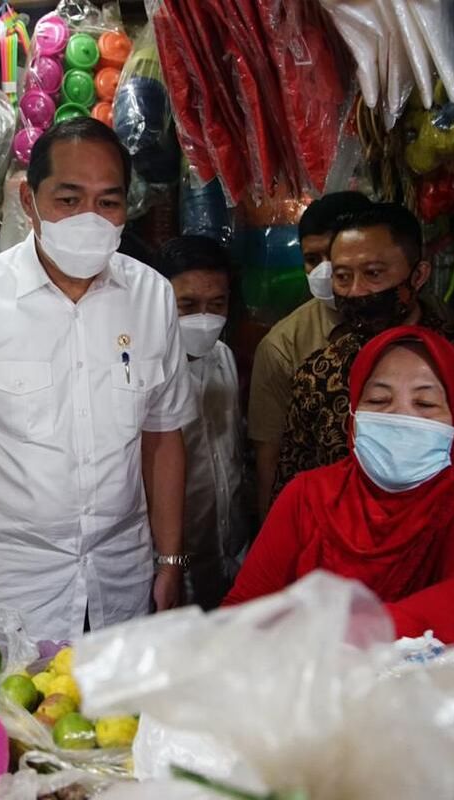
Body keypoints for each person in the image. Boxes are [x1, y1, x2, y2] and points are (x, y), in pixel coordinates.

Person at [0, 118, 195, 642]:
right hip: (9, 588)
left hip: (121, 576)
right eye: (68, 199)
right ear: (29, 200)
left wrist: (170, 558)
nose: (90, 218)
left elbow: (163, 435)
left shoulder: (152, 297)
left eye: (108, 202)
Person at [273, 203, 454, 627]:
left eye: (374, 274)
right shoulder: (319, 374)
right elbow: (293, 478)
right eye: (343, 277)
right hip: (340, 613)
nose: (357, 291)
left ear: (419, 275)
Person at [226, 326, 454, 643]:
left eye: (425, 403)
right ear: (353, 413)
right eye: (379, 399)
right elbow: (243, 611)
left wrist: (341, 632)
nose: (401, 415)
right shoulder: (308, 494)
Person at [248, 192, 372, 517]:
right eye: (312, 259)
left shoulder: (427, 322)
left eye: (333, 255)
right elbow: (270, 460)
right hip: (325, 517)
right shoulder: (282, 347)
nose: (325, 270)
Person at [154, 235, 247, 609]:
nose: (205, 319)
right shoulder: (149, 375)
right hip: (173, 563)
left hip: (227, 552)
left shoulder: (223, 357)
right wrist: (169, 563)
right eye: (188, 306)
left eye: (217, 304)